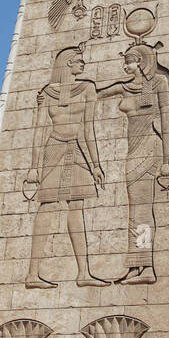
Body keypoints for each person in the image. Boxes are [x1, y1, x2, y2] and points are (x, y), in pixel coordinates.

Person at [23, 44, 108, 288]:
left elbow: (87, 128)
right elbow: (40, 131)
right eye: (78, 60)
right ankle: (32, 274)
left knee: (77, 207)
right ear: (66, 64)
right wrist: (33, 167)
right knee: (47, 206)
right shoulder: (48, 93)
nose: (83, 64)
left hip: (77, 150)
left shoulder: (88, 88)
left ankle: (84, 273)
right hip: (54, 149)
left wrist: (96, 165)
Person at [98, 41, 169, 285]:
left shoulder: (159, 83)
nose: (124, 65)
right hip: (133, 151)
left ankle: (148, 267)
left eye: (128, 60)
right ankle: (135, 266)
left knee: (142, 210)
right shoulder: (125, 87)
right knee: (134, 211)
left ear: (140, 61)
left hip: (150, 147)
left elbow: (167, 120)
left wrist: (166, 161)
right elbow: (98, 94)